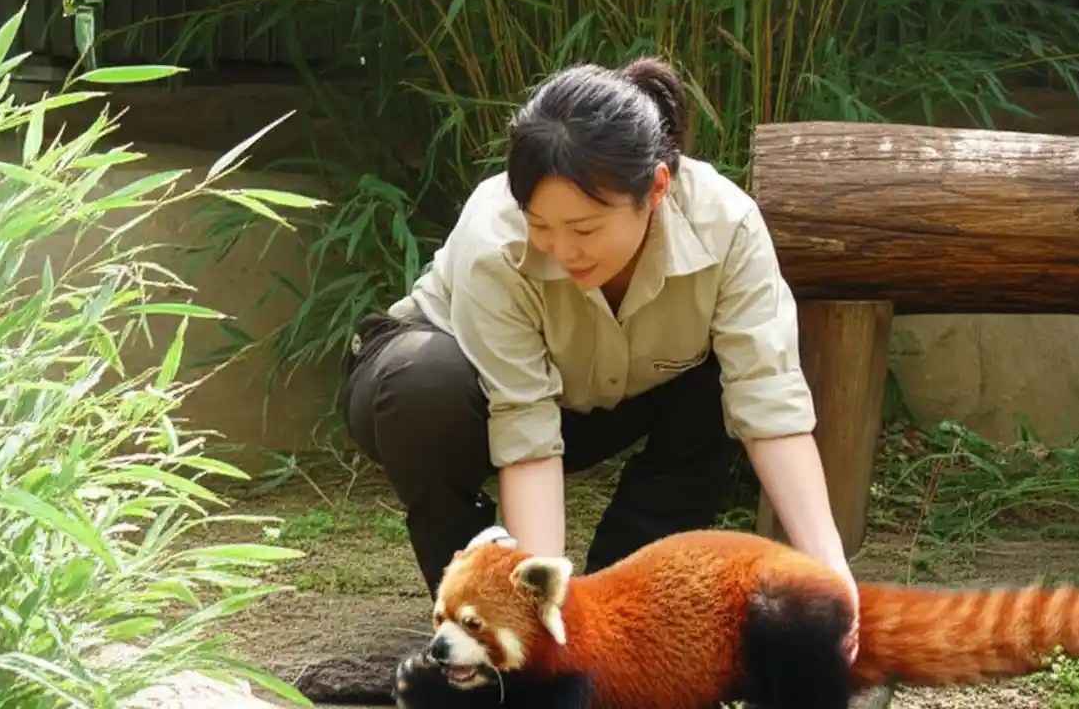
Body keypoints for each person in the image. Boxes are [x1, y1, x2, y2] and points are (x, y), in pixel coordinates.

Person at [340, 56, 860, 663]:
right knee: (423, 386)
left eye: (584, 229)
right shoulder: (494, 240)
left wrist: (829, 571)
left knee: (719, 382)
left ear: (657, 189)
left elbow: (770, 402)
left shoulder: (728, 226)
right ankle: (484, 621)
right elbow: (525, 429)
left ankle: (630, 605)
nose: (562, 250)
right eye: (542, 226)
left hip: (606, 400)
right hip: (456, 395)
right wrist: (539, 617)